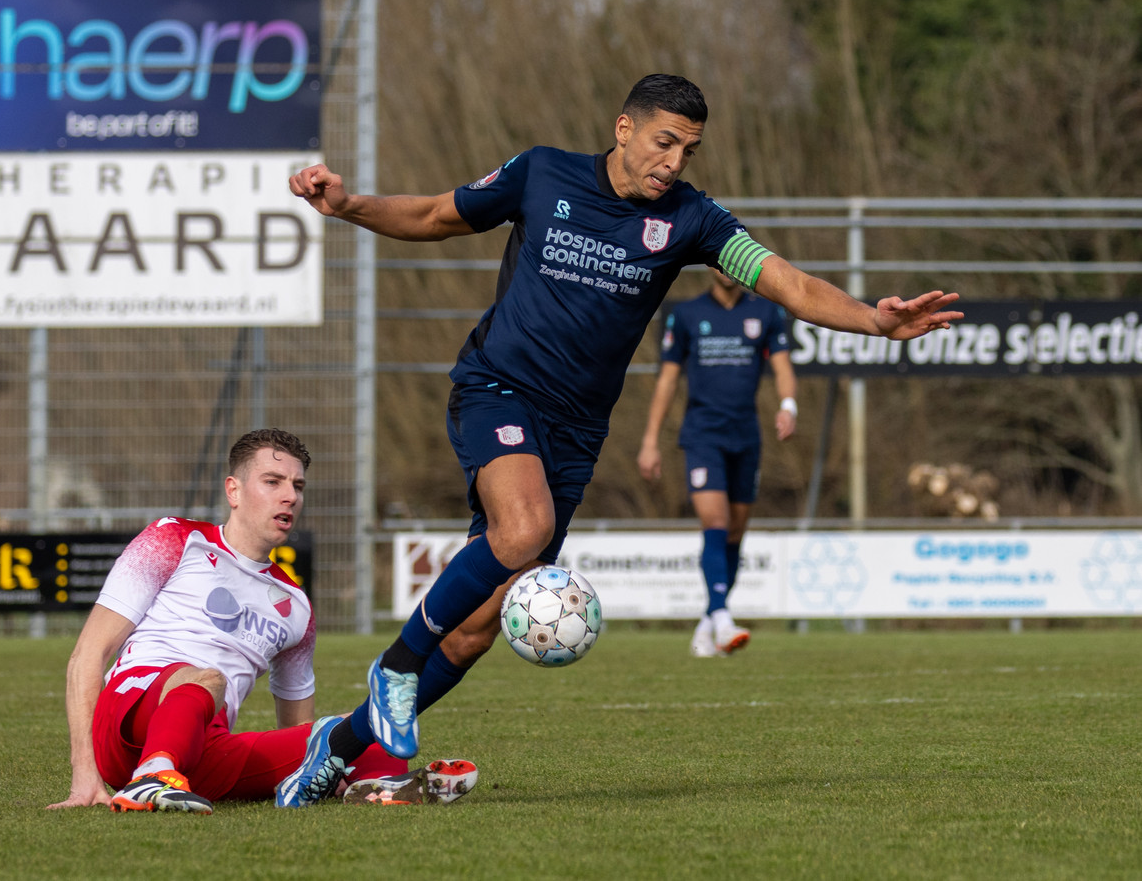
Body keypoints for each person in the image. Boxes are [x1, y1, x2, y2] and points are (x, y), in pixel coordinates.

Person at [275, 73, 963, 807]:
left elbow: (784, 281)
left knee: (475, 630)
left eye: (688, 150)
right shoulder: (542, 173)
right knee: (524, 527)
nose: (673, 161)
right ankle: (397, 666)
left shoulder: (691, 219)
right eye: (664, 141)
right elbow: (437, 215)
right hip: (498, 388)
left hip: (577, 430)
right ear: (624, 128)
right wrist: (347, 205)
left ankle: (336, 748)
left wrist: (873, 320)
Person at [47, 428, 477, 813]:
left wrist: (336, 752)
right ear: (233, 491)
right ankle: (151, 776)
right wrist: (85, 776)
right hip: (128, 720)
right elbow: (88, 655)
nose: (289, 496)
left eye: (297, 486)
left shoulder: (297, 606)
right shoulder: (174, 538)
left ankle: (379, 786)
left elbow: (303, 730)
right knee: (206, 680)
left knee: (356, 728)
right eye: (273, 482)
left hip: (203, 753)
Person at [637, 268, 797, 657]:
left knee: (735, 532)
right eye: (718, 262)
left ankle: (709, 620)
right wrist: (650, 440)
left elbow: (782, 368)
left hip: (746, 436)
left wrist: (788, 406)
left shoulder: (766, 313)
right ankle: (724, 618)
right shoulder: (686, 314)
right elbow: (667, 380)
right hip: (702, 436)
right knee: (716, 522)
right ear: (709, 265)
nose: (725, 269)